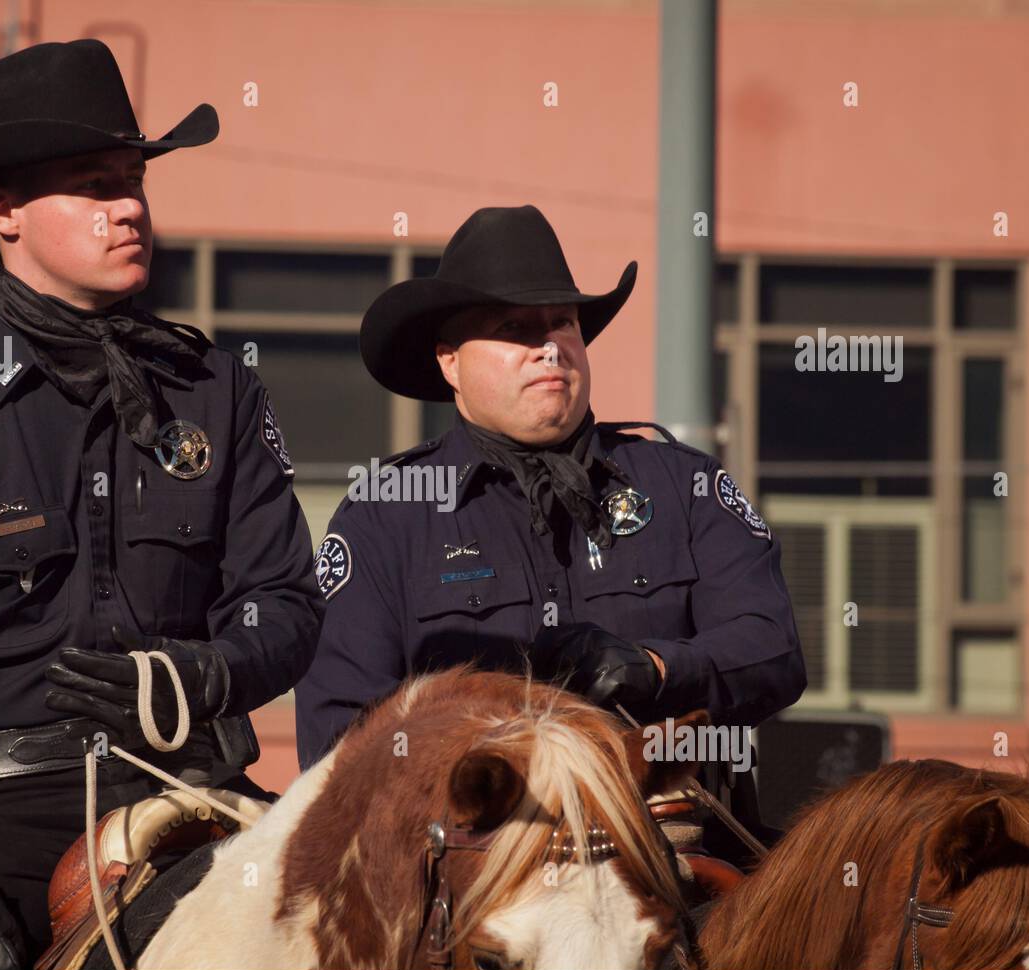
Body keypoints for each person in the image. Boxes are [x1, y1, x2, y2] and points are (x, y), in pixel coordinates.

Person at [0, 39, 323, 970]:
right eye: (92, 186)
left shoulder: (219, 389)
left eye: (132, 182)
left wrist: (207, 674)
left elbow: (287, 603)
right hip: (9, 824)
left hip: (199, 788)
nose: (129, 209)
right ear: (4, 211)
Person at [294, 204, 806, 773]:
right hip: (479, 851)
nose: (550, 347)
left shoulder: (687, 485)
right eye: (514, 328)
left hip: (680, 837)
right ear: (450, 362)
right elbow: (340, 743)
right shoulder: (385, 517)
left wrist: (656, 669)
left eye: (562, 321)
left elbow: (773, 650)